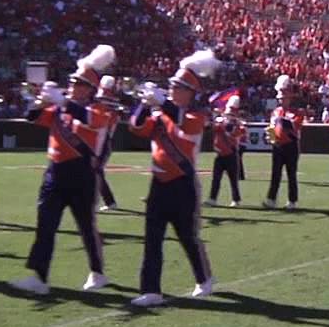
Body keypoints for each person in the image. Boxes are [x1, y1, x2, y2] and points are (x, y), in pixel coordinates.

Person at [10, 46, 117, 295]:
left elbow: (90, 120)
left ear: (90, 89)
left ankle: (98, 272)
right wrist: (40, 100)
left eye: (78, 83)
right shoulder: (59, 108)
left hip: (81, 174)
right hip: (54, 172)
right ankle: (39, 276)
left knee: (86, 227)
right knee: (45, 224)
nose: (73, 85)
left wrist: (63, 102)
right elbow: (32, 117)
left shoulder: (100, 109)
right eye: (72, 81)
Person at [127, 50, 219, 307]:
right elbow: (135, 126)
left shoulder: (196, 116)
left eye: (176, 87)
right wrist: (144, 104)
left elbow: (183, 124)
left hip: (183, 184)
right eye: (170, 86)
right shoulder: (160, 113)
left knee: (188, 237)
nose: (171, 90)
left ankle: (204, 278)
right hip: (158, 184)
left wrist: (161, 104)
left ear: (190, 91)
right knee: (152, 238)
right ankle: (151, 289)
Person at [264, 74, 303, 210]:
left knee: (291, 174)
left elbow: (295, 126)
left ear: (290, 98)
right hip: (278, 146)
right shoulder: (276, 111)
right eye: (280, 98)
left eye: (284, 98)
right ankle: (271, 199)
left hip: (291, 146)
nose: (282, 101)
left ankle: (292, 201)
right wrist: (270, 136)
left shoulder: (297, 112)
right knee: (275, 174)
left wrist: (283, 121)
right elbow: (271, 127)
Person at [206, 95, 246, 207]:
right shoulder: (221, 122)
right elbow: (212, 128)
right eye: (228, 114)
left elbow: (237, 133)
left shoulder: (236, 125)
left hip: (231, 154)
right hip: (219, 154)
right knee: (216, 179)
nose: (229, 116)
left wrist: (235, 124)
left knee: (233, 180)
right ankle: (212, 199)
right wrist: (217, 120)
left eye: (231, 114)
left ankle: (236, 200)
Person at [94, 75, 123, 212]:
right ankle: (108, 201)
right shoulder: (112, 101)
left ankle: (106, 201)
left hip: (103, 139)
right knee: (95, 171)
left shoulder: (106, 100)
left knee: (96, 171)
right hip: (103, 138)